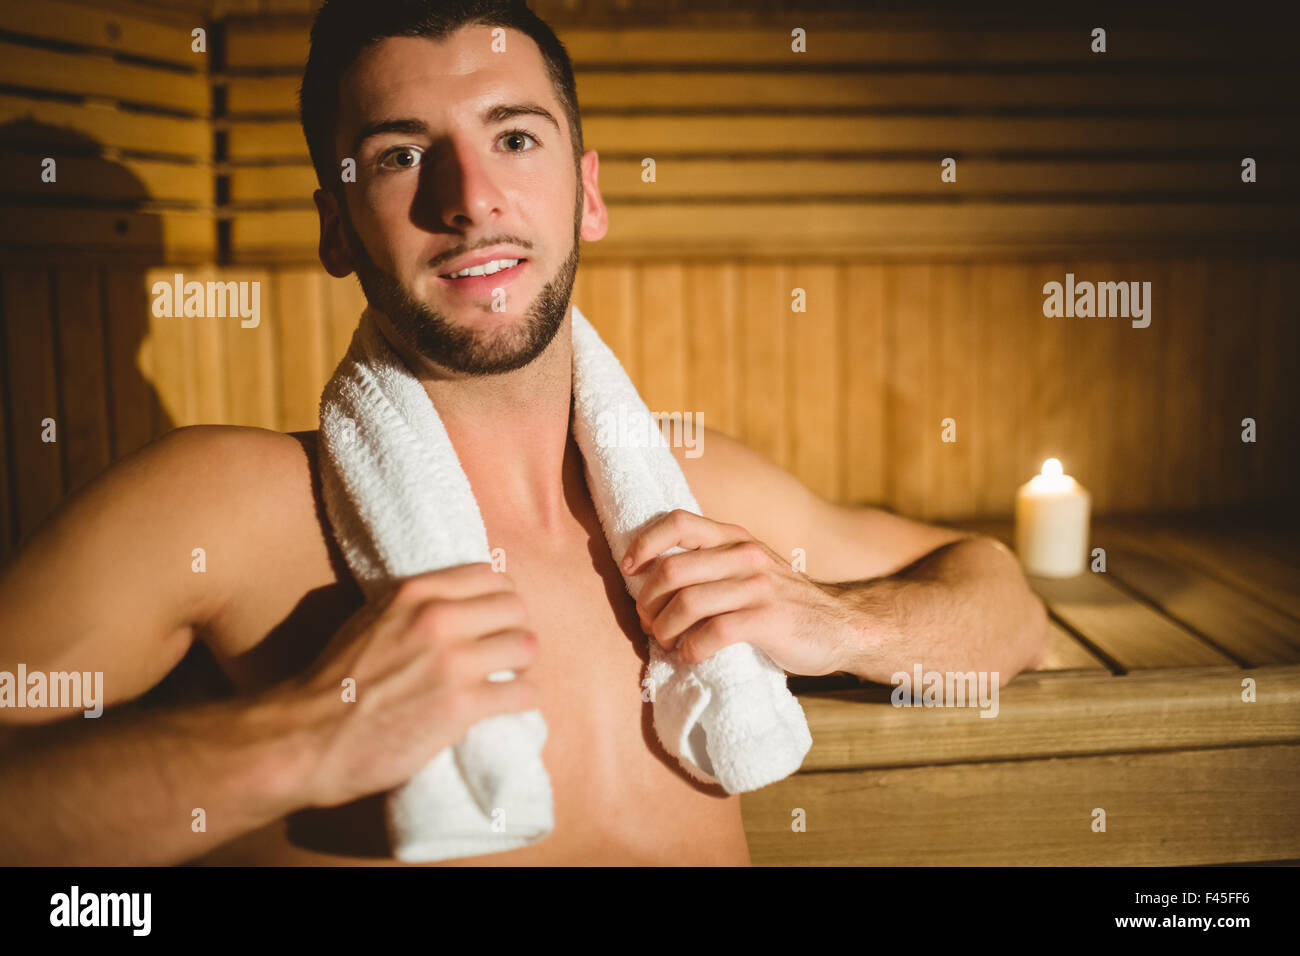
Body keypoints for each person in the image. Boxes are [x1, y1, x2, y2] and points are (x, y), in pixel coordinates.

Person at [0, 0, 1046, 866]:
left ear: (584, 192)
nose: (472, 199)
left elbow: (1002, 602)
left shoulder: (694, 488)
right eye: (402, 155)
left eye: (512, 137)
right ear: (335, 224)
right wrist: (300, 737)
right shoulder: (225, 504)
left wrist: (841, 623)